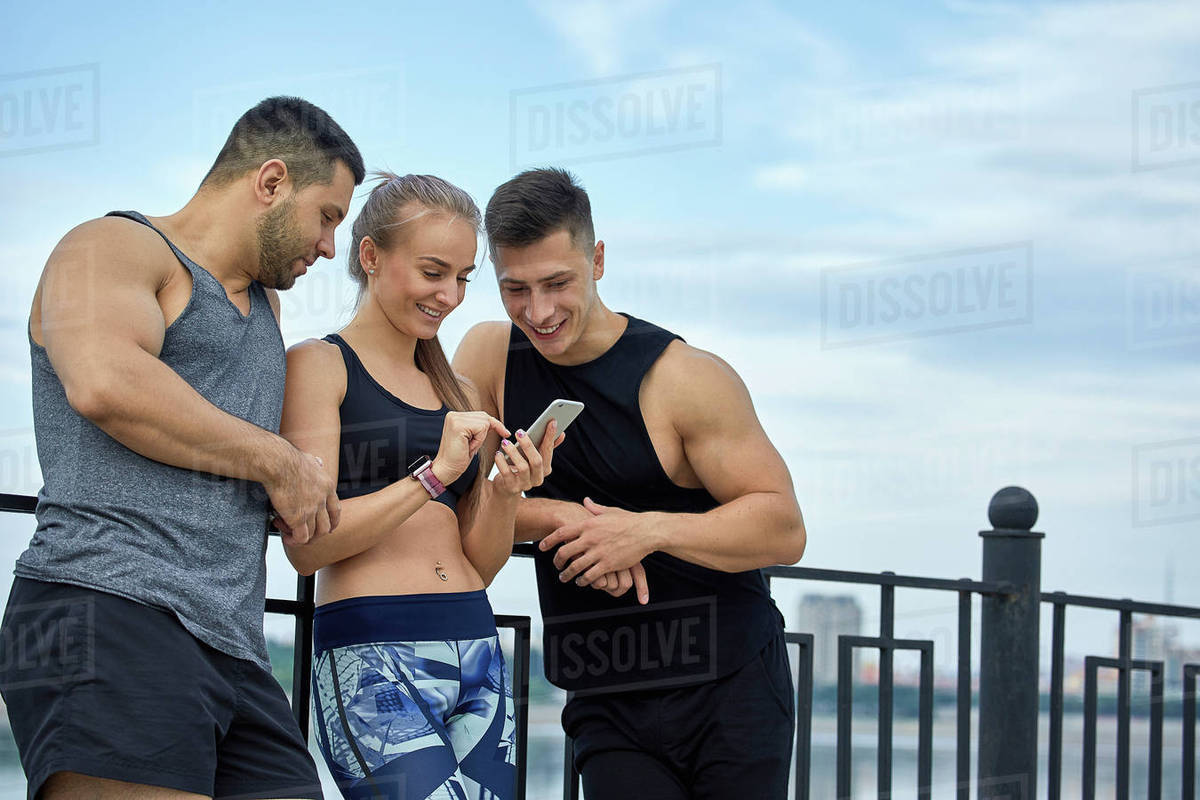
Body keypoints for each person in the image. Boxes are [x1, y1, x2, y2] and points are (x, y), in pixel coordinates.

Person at [0, 96, 364, 800]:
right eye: (327, 216)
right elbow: (105, 382)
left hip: (234, 647)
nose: (329, 246)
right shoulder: (113, 245)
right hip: (108, 603)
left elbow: (225, 445)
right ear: (272, 181)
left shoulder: (267, 309)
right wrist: (277, 461)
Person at [452, 168, 807, 799]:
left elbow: (784, 527)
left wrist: (644, 532)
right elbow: (459, 506)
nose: (539, 311)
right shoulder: (489, 356)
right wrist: (568, 519)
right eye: (516, 289)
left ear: (597, 260)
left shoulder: (685, 378)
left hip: (731, 687)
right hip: (603, 691)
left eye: (558, 283)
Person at [279, 173, 561, 800]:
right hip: (371, 650)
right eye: (434, 272)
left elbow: (479, 565)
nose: (449, 295)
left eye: (462, 277)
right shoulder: (319, 365)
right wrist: (433, 476)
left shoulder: (459, 392)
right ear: (370, 256)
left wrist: (506, 492)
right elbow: (307, 547)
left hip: (476, 644)